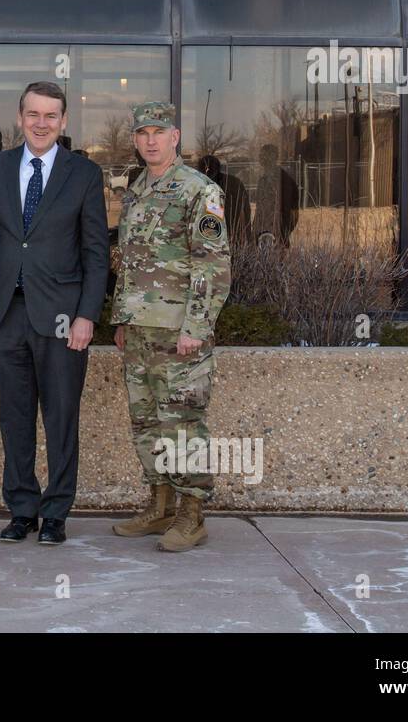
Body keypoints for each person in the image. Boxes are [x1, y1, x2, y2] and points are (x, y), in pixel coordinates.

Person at [0, 81, 108, 546]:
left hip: (62, 317)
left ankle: (55, 513)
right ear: (20, 117)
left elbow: (96, 253)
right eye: (33, 114)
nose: (41, 123)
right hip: (6, 315)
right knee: (14, 418)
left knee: (61, 418)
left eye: (51, 115)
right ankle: (22, 509)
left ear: (64, 121)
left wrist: (87, 315)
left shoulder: (84, 174)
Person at [111, 101, 231, 552]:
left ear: (175, 137)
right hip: (140, 331)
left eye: (158, 132)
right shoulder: (136, 191)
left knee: (182, 423)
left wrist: (196, 327)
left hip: (179, 331)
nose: (150, 140)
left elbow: (213, 265)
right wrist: (122, 319)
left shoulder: (200, 190)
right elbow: (129, 262)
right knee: (146, 423)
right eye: (143, 133)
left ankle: (192, 514)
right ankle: (160, 505)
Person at [199, 154, 252, 246]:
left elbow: (244, 210)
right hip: (233, 234)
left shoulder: (208, 185)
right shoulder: (233, 182)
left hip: (226, 234)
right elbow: (246, 211)